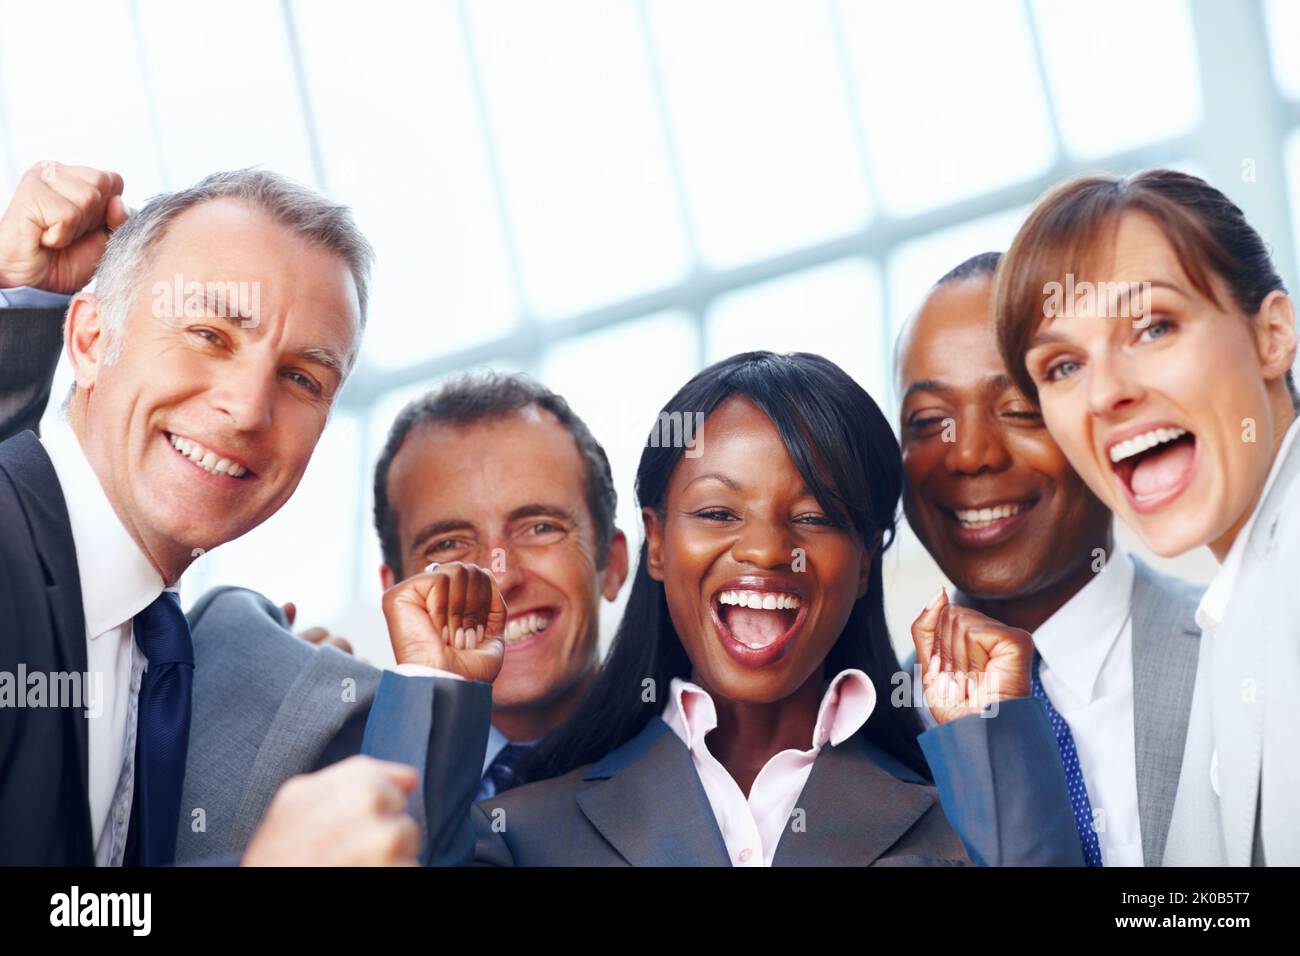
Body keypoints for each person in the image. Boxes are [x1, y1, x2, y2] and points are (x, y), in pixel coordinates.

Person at [379, 351, 1083, 866]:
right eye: (717, 511)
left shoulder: (958, 818)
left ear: (866, 557)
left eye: (815, 517)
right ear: (656, 544)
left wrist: (995, 737)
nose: (768, 552)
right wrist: (434, 685)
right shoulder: (522, 830)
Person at [0, 161, 437, 866]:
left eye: (302, 378)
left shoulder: (148, 642)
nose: (248, 409)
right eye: (209, 334)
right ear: (88, 340)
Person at [993, 168, 1300, 865]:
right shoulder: (1235, 613)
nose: (1106, 393)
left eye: (1153, 326)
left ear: (1272, 334)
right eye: (1063, 366)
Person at [895, 250, 1203, 866]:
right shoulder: (867, 728)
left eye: (1019, 409)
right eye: (929, 421)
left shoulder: (1245, 647)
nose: (970, 455)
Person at [371, 375, 628, 798]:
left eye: (540, 527)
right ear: (396, 593)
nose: (502, 576)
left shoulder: (708, 772)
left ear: (613, 561)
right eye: (449, 544)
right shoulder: (331, 775)